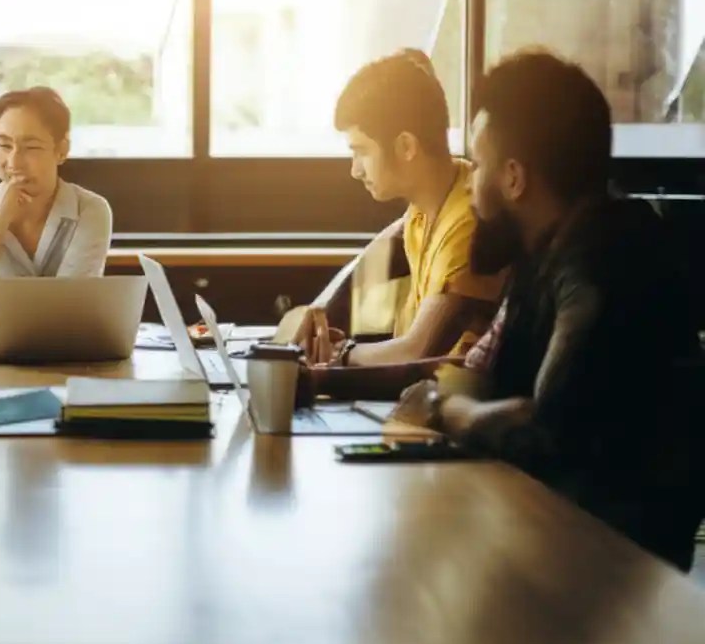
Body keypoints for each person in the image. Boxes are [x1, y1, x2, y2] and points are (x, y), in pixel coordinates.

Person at [394, 51, 704, 570]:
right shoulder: (547, 252)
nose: (470, 183)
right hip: (550, 538)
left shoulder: (603, 262)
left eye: (479, 164)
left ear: (514, 178)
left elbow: (546, 429)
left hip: (605, 571)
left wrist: (444, 411)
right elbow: (481, 378)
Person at [296, 50, 504, 376]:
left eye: (361, 151)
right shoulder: (425, 208)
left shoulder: (468, 220)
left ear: (406, 146)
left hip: (448, 400)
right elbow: (387, 240)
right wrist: (320, 308)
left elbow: (416, 352)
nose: (355, 170)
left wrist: (340, 355)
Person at [0, 87, 113, 307]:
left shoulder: (89, 209)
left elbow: (73, 304)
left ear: (61, 150)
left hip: (62, 332)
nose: (14, 162)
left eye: (31, 147)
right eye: (4, 145)